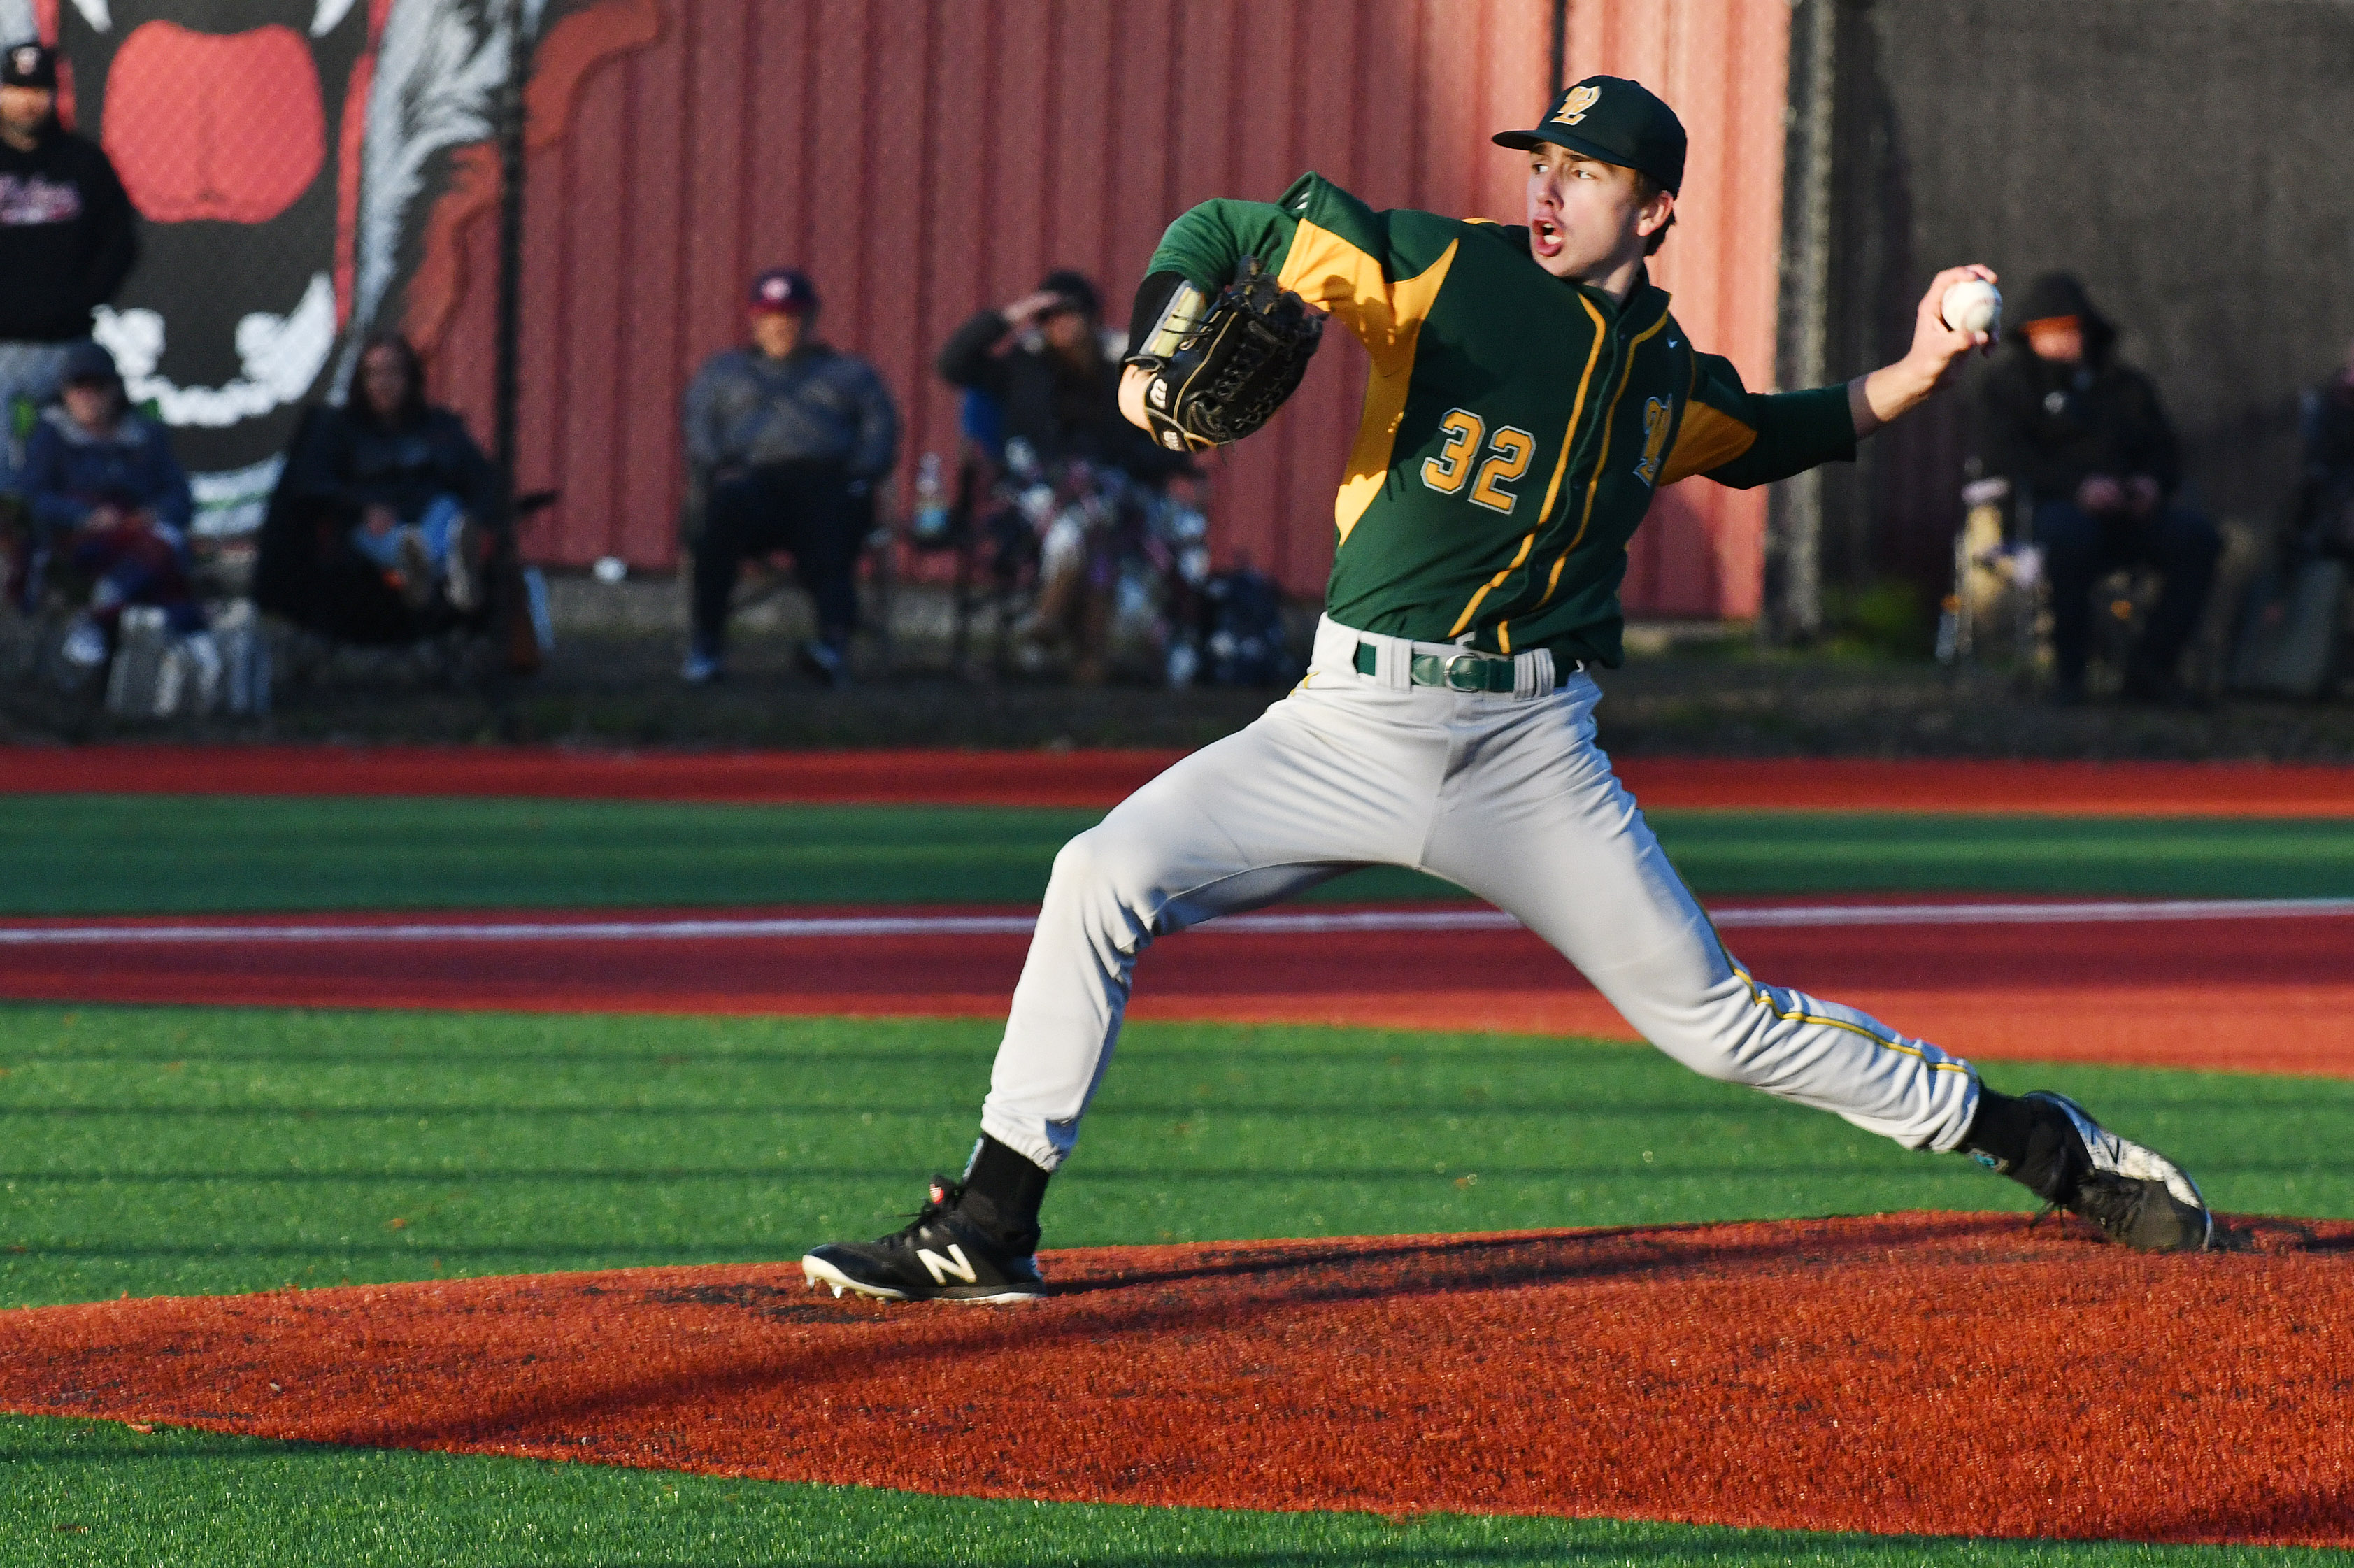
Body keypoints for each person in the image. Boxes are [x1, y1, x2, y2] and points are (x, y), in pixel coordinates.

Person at [801, 76, 2214, 1304]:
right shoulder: (1442, 268)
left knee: (1716, 1023)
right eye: (1542, 163)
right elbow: (1229, 231)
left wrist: (1918, 366)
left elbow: (1780, 431)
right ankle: (992, 1221)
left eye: (1585, 173)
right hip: (1343, 725)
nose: (1548, 189)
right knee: (1099, 871)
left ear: (1652, 210)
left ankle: (2040, 1142)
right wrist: (1150, 355)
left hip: (1533, 756)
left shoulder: (1662, 377)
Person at [1976, 273, 2221, 704]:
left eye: (2069, 329)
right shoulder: (2010, 388)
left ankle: (2152, 668)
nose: (2062, 341)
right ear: (2029, 334)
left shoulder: (2124, 387)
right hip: (2051, 514)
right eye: (2049, 331)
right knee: (2071, 540)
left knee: (2197, 540)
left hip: (2130, 517)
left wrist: (2151, 485)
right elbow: (2007, 458)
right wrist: (2078, 489)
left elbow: (2164, 450)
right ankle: (2070, 676)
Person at [937, 271, 1189, 678]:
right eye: (1048, 317)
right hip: (1031, 490)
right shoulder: (1023, 365)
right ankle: (1089, 656)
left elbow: (1159, 429)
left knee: (1090, 520)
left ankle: (1047, 628)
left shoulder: (1123, 366)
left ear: (1090, 317)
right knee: (1082, 526)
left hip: (1110, 486)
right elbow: (952, 364)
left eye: (1068, 314)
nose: (1059, 325)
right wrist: (1012, 315)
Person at [681, 267, 899, 687]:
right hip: (752, 483)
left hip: (825, 483)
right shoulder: (722, 375)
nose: (782, 328)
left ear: (812, 319)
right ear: (755, 321)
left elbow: (880, 432)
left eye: (792, 317)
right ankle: (706, 645)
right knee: (716, 519)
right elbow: (699, 432)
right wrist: (719, 466)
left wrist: (860, 474)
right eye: (771, 318)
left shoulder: (851, 376)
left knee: (835, 523)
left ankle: (832, 648)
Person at [0, 42, 136, 487]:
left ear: (54, 95)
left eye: (38, 91)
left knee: (68, 467)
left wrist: (77, 298)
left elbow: (120, 243)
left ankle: (62, 548)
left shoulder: (83, 162)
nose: (27, 101)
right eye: (16, 90)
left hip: (66, 342)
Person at [284, 332, 498, 615]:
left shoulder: (440, 427)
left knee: (448, 509)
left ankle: (428, 572)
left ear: (409, 376)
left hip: (433, 518)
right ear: (361, 380)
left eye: (390, 373)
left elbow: (482, 479)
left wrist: (480, 518)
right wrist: (361, 509)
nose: (381, 383)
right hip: (376, 527)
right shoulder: (340, 432)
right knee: (395, 540)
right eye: (372, 374)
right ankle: (442, 573)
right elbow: (313, 485)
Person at [19, 341, 200, 669]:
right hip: (79, 543)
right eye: (78, 387)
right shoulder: (49, 437)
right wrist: (84, 517)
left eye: (97, 387)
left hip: (141, 538)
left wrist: (153, 514)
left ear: (115, 391)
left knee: (164, 542)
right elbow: (33, 498)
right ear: (65, 392)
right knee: (155, 557)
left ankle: (107, 606)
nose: (88, 397)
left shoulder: (147, 436)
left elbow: (180, 497)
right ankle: (118, 617)